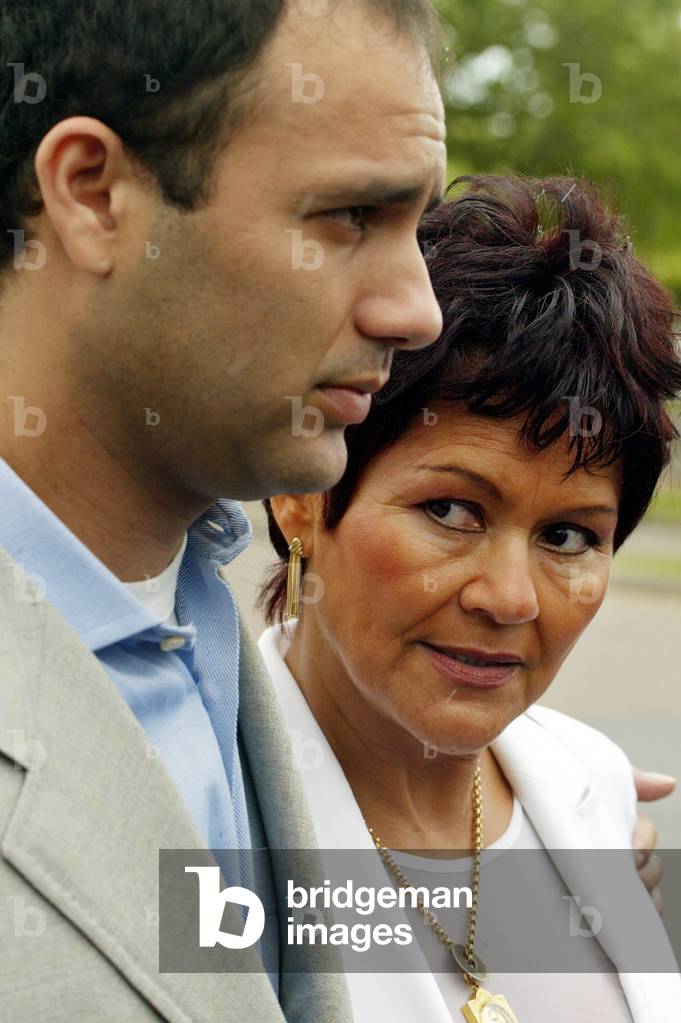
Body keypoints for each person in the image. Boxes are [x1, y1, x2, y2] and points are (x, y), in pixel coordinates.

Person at [0, 1, 449, 1020]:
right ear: (93, 194)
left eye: (416, 223)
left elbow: (194, 941)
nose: (416, 308)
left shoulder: (194, 612)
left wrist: (549, 888)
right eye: (349, 218)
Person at [257, 175, 681, 1022]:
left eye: (568, 535)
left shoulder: (589, 787)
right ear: (300, 495)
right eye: (450, 510)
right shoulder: (195, 817)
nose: (510, 598)